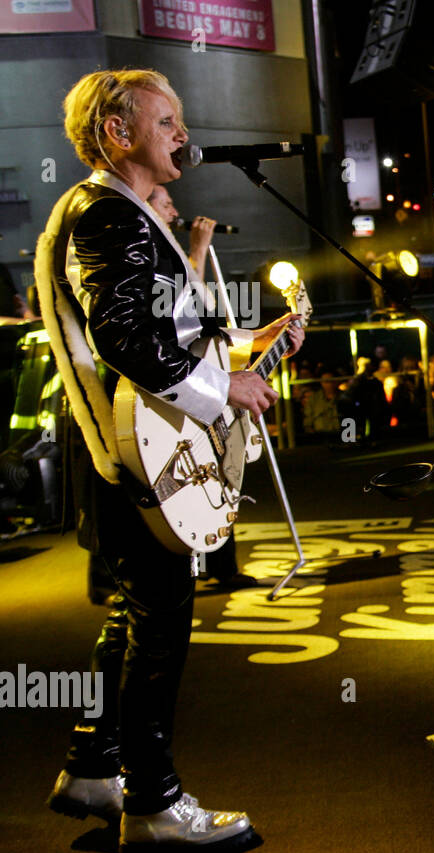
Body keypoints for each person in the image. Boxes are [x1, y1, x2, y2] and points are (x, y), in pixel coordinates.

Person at [37, 69, 302, 853]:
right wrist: (227, 393)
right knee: (159, 619)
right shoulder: (107, 215)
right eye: (168, 121)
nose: (184, 135)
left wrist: (249, 355)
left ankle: (93, 765)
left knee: (135, 609)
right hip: (128, 453)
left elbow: (166, 340)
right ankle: (153, 804)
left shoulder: (109, 214)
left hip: (126, 448)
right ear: (118, 134)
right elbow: (127, 341)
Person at [146, 184, 255, 590]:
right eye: (165, 201)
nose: (175, 208)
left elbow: (200, 308)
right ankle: (210, 565)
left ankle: (218, 562)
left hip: (196, 378)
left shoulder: (167, 247)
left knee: (216, 469)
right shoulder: (150, 249)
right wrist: (198, 249)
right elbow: (181, 310)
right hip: (178, 384)